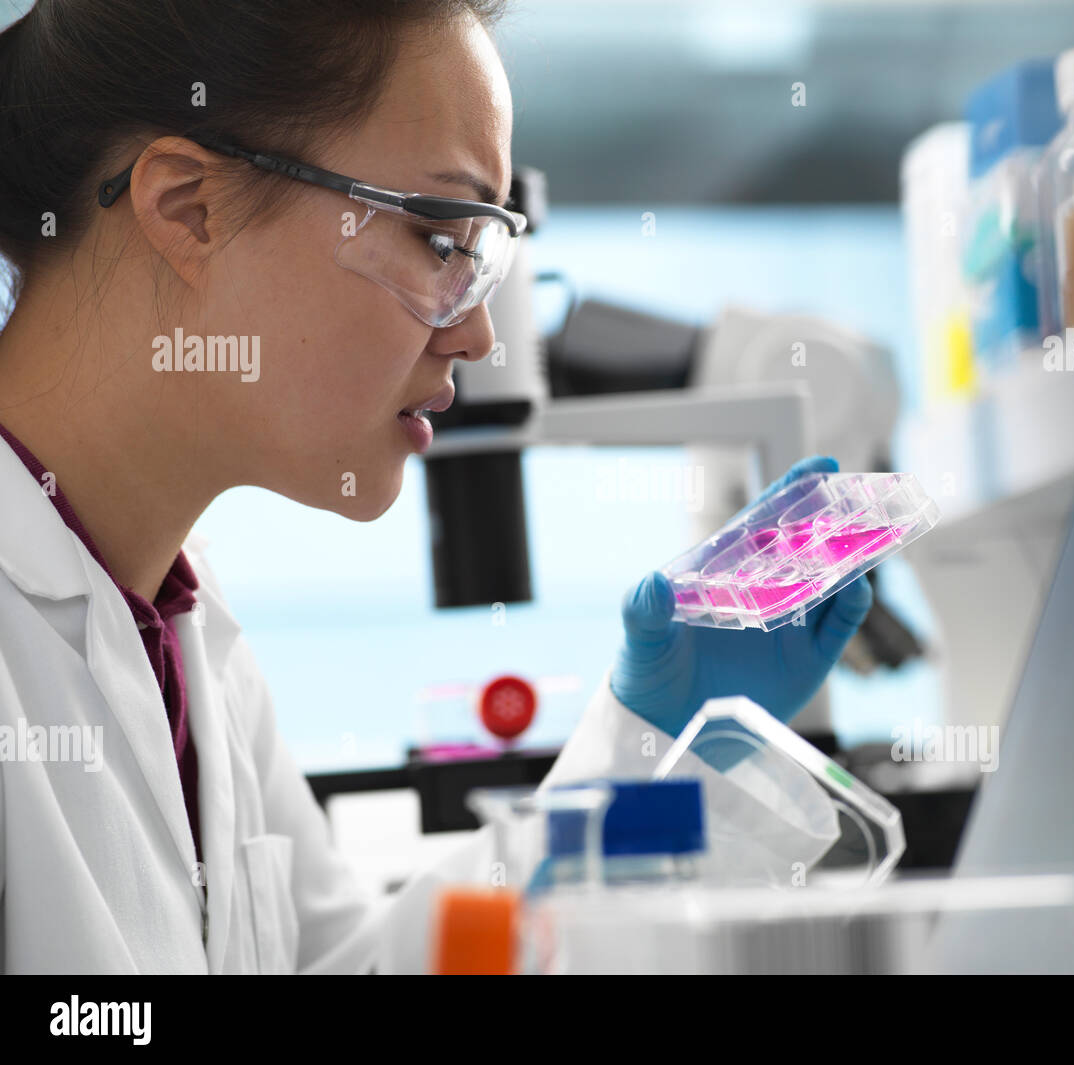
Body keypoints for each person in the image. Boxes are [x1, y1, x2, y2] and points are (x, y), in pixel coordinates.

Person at [0, 0, 872, 973]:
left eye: (484, 249)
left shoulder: (181, 632)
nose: (478, 336)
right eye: (435, 236)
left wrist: (658, 750)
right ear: (186, 210)